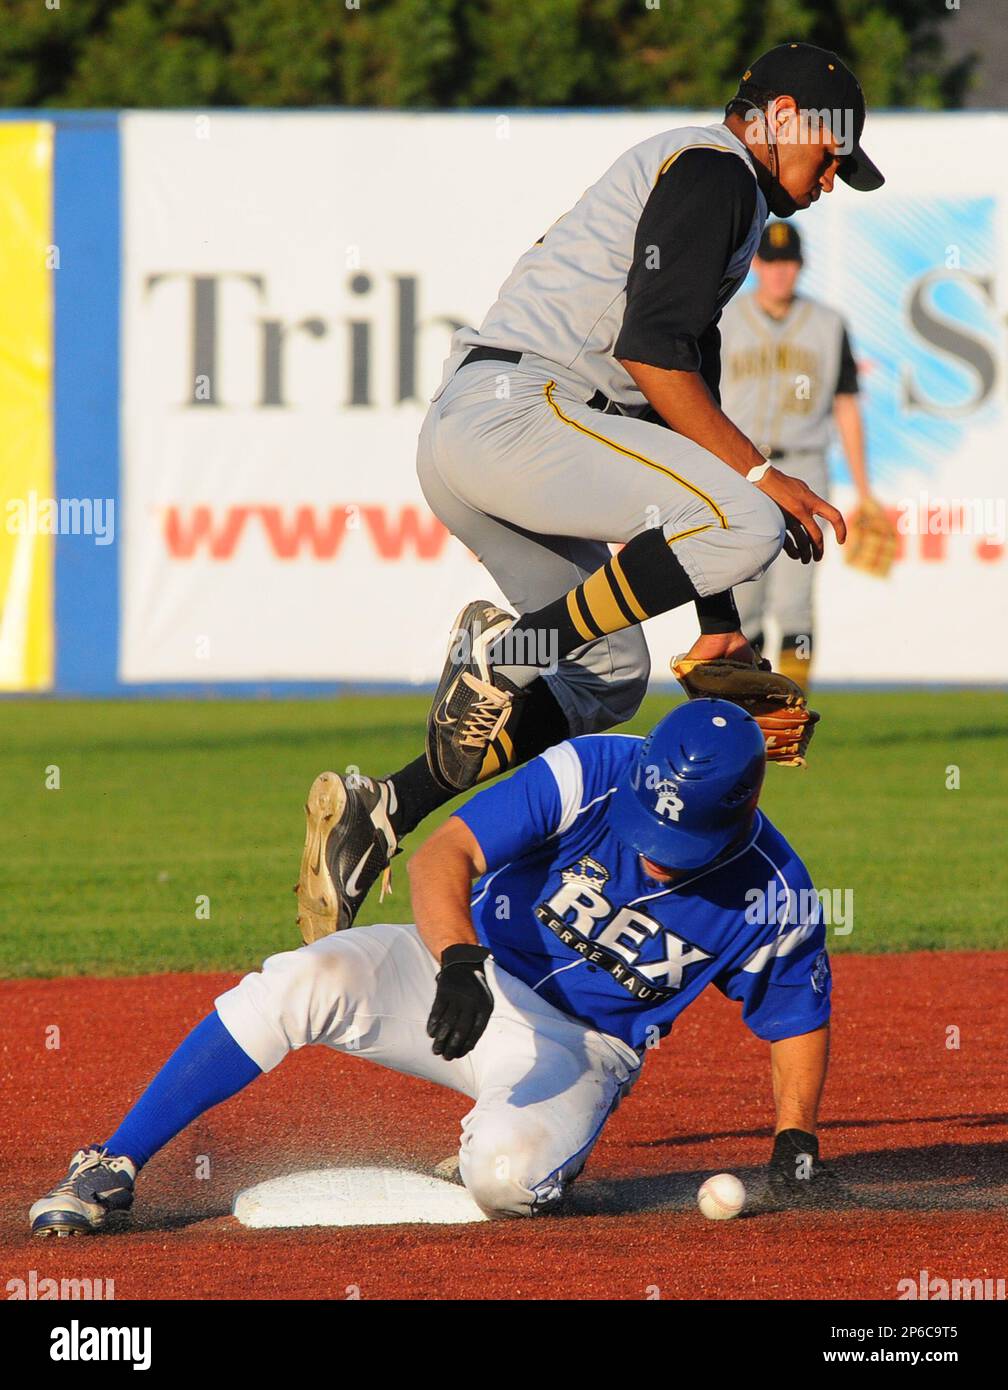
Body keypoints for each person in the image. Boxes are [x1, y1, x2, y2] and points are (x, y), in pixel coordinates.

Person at [291, 42, 884, 942]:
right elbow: (656, 366)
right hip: (521, 413)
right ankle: (507, 654)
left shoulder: (710, 202)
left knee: (608, 674)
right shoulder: (717, 173)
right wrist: (766, 478)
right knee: (753, 516)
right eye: (833, 154)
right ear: (789, 119)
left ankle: (381, 811)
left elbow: (684, 419)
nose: (831, 180)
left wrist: (714, 622)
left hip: (471, 435)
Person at [30, 700, 841, 1235]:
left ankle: (528, 1141)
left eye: (682, 848)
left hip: (580, 1048)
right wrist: (459, 959)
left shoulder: (775, 889)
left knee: (502, 1181)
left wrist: (795, 1141)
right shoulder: (594, 770)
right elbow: (445, 853)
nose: (657, 860)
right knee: (299, 982)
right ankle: (111, 1160)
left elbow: (795, 1016)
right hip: (457, 965)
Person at [719, 221, 876, 687]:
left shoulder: (828, 325)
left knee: (795, 598)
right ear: (756, 265)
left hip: (803, 464)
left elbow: (845, 405)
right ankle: (745, 712)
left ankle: (790, 712)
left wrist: (864, 491)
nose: (780, 273)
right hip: (740, 465)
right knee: (743, 598)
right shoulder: (725, 319)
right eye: (771, 262)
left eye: (788, 264)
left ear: (801, 267)